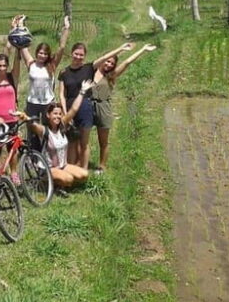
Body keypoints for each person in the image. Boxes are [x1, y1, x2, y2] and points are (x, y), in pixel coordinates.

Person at [58, 41, 134, 169]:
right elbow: (61, 95)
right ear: (71, 54)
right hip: (70, 109)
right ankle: (72, 168)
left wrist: (120, 48)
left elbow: (105, 58)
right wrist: (65, 114)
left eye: (81, 55)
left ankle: (83, 170)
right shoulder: (64, 72)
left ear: (85, 56)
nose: (78, 57)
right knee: (72, 141)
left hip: (85, 108)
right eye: (76, 54)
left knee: (84, 142)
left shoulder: (89, 68)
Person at [92, 43, 157, 174]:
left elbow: (127, 62)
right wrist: (120, 48)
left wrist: (143, 49)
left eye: (112, 63)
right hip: (88, 106)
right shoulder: (92, 71)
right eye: (107, 61)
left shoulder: (111, 76)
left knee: (103, 141)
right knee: (83, 139)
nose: (109, 64)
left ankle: (102, 167)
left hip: (103, 107)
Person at [22, 79, 93, 194]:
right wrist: (25, 117)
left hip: (62, 165)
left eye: (60, 114)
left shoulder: (62, 127)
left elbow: (73, 110)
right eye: (55, 114)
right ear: (48, 115)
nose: (58, 117)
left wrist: (82, 92)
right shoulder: (44, 130)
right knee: (69, 179)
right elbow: (33, 125)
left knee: (84, 175)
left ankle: (61, 182)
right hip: (47, 168)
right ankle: (46, 182)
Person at [20, 15, 70, 120]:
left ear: (48, 55)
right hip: (32, 103)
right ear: (37, 53)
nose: (42, 56)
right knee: (32, 130)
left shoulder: (51, 65)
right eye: (40, 53)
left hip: (48, 103)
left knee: (48, 131)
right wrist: (20, 25)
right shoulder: (31, 64)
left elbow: (61, 47)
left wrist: (66, 28)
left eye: (45, 54)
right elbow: (23, 47)